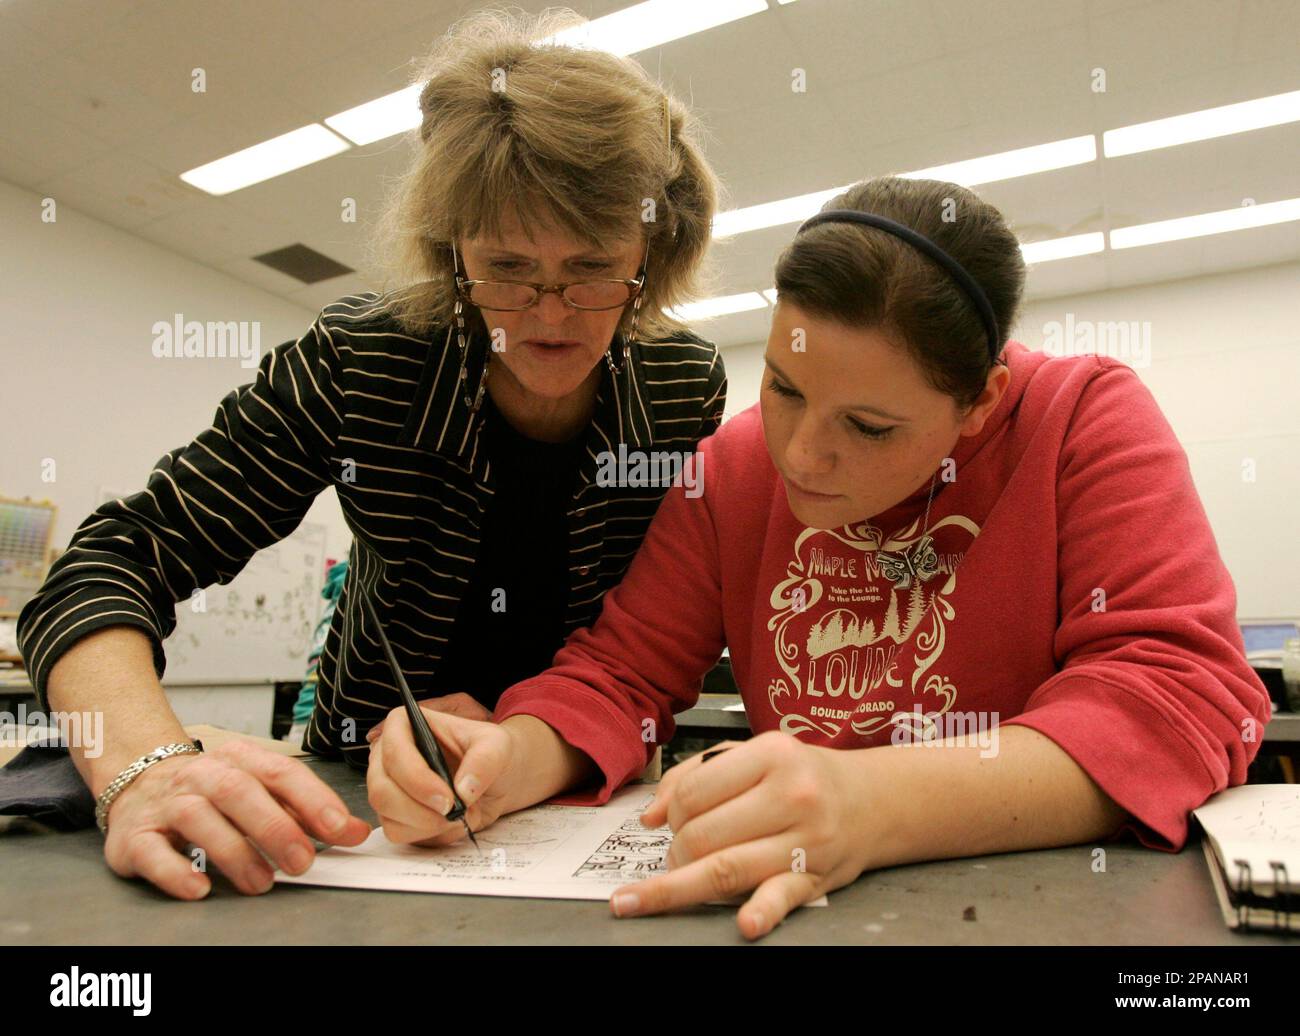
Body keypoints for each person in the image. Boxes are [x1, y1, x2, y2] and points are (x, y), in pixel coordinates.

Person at [370, 175, 1272, 940]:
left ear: (983, 403)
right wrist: (503, 758)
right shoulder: (733, 466)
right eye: (785, 389)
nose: (799, 455)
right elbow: (619, 675)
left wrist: (876, 802)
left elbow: (1178, 695)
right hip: (793, 909)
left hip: (1036, 912)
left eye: (870, 427)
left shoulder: (1082, 419)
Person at [15, 8, 726, 901]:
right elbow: (114, 558)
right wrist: (142, 765)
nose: (549, 317)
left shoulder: (680, 385)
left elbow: (660, 635)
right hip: (363, 786)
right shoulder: (363, 361)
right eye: (505, 267)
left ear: (654, 253)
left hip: (581, 783)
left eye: (592, 269)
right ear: (449, 249)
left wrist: (530, 737)